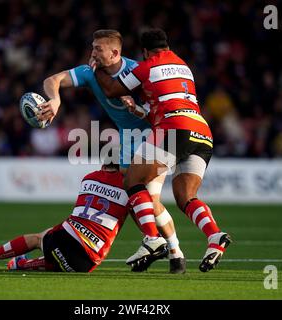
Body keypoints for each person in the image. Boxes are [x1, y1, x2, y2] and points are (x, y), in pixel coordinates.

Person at [36, 29, 186, 273]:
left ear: (115, 52)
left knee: (149, 196)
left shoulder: (137, 69)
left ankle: (173, 250)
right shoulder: (89, 72)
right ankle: (167, 250)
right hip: (128, 139)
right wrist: (55, 100)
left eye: (98, 49)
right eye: (93, 46)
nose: (92, 52)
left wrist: (138, 106)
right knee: (139, 199)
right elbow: (52, 80)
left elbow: (160, 101)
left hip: (154, 134)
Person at [94, 28, 232, 272]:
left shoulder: (148, 66)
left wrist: (94, 69)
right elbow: (170, 98)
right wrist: (143, 111)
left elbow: (112, 90)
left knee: (133, 180)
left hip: (174, 128)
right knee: (186, 197)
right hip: (202, 131)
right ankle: (214, 236)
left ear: (145, 51)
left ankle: (152, 239)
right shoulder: (183, 66)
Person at [0, 162, 145, 272]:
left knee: (40, 238)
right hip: (88, 263)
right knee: (64, 258)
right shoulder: (128, 187)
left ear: (104, 165)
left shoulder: (89, 177)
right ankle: (22, 265)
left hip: (66, 239)